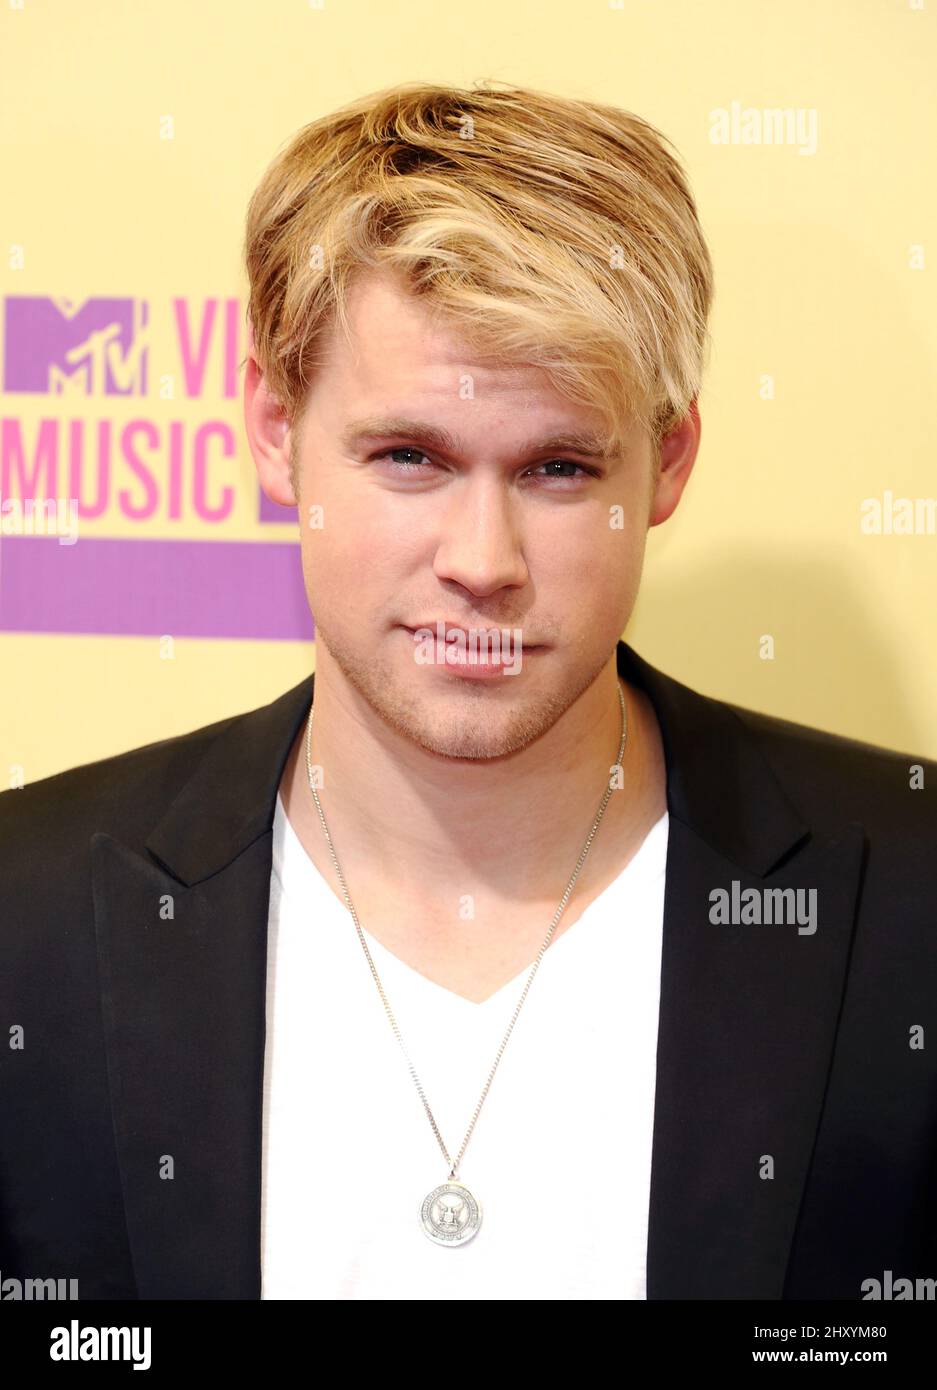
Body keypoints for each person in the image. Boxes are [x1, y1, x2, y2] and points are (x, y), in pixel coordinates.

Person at [1, 81, 935, 1302]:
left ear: (668, 460)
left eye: (557, 466)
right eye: (408, 458)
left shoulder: (908, 898)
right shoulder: (30, 911)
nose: (482, 562)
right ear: (273, 428)